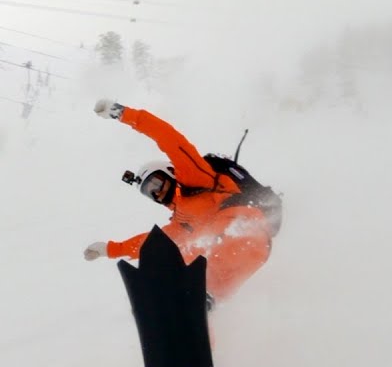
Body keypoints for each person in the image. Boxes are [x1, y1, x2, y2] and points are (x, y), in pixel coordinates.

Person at [83, 99, 281, 304]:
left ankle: (196, 292)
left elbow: (168, 138)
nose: (157, 193)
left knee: (192, 251)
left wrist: (122, 113)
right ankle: (199, 311)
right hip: (247, 257)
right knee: (176, 257)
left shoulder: (194, 176)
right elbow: (151, 244)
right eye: (150, 193)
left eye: (156, 184)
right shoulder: (181, 222)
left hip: (245, 229)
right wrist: (111, 249)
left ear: (169, 173)